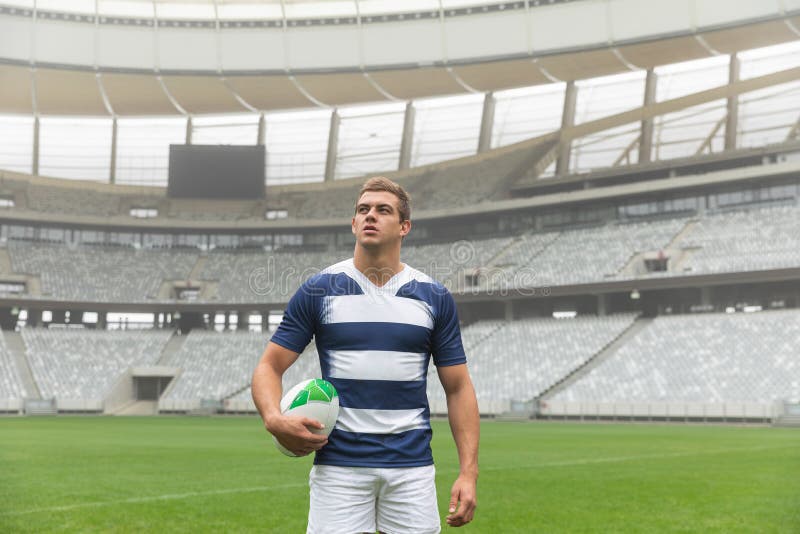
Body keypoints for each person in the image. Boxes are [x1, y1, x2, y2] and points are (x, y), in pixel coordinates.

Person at [252, 176, 479, 533]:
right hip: (339, 470)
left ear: (404, 226)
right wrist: (273, 418)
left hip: (412, 471)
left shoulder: (433, 297)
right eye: (363, 209)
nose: (371, 215)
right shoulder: (318, 291)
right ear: (354, 223)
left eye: (383, 210)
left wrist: (468, 472)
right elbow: (269, 365)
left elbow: (458, 388)